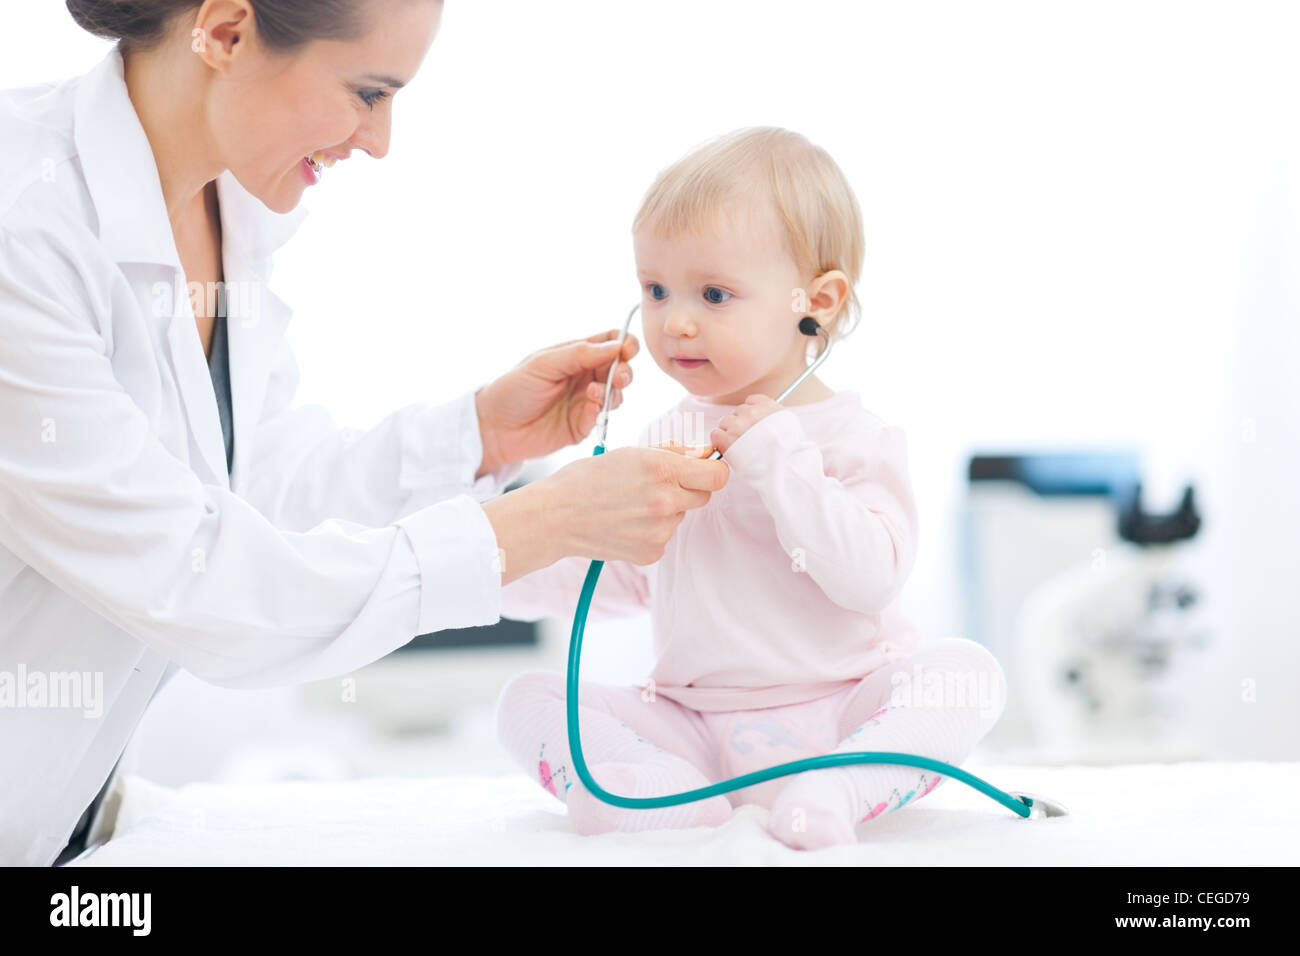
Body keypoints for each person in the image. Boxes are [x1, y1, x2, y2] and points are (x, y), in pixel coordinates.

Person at [0, 0, 728, 867]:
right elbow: (200, 580)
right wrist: (545, 524)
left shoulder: (223, 211)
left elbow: (259, 493)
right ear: (226, 32)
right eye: (368, 93)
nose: (380, 141)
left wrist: (478, 437)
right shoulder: (22, 224)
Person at [494, 127, 1008, 849]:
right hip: (693, 728)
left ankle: (840, 788)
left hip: (838, 716)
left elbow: (870, 579)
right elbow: (622, 576)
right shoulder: (669, 434)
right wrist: (497, 557)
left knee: (968, 676)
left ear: (817, 301)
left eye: (714, 294)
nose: (676, 320)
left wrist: (780, 462)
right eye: (655, 289)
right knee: (529, 699)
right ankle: (664, 792)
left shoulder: (856, 437)